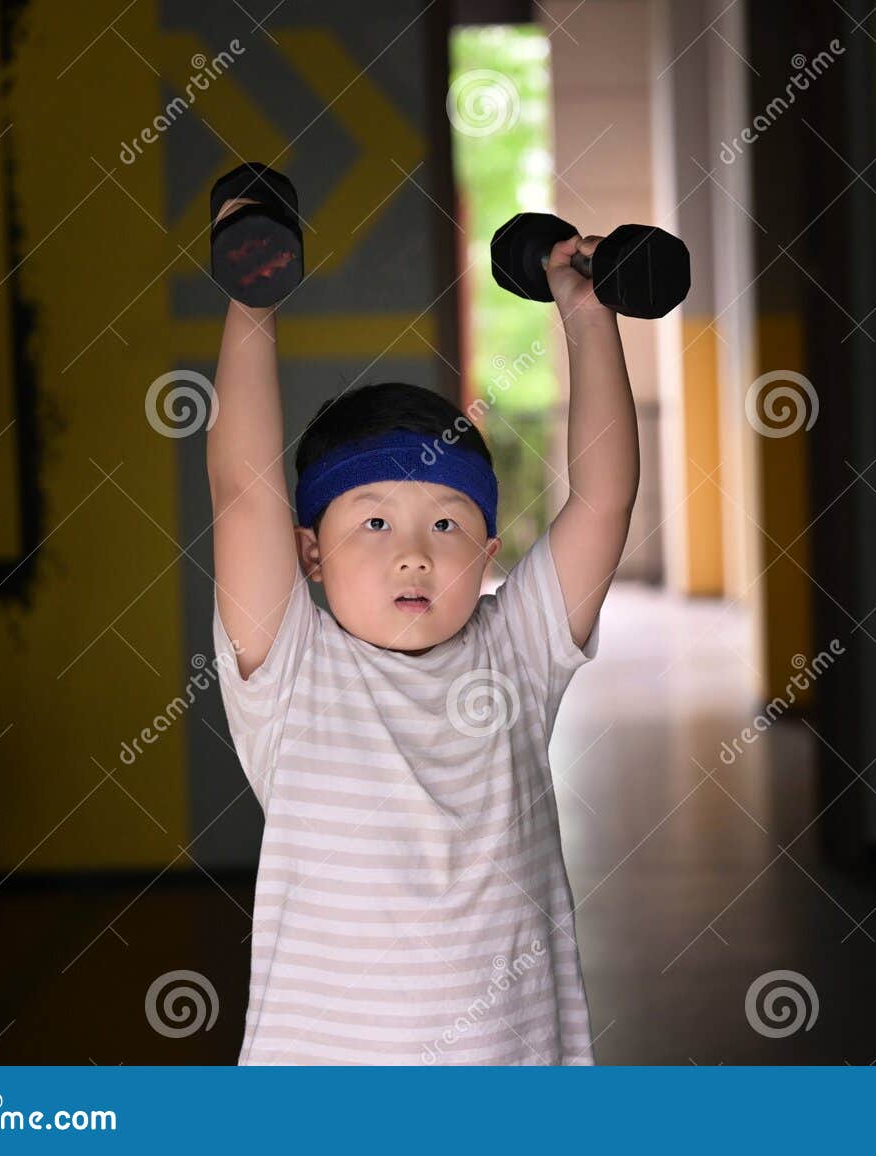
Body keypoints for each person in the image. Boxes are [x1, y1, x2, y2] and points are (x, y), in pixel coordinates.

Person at [205, 194, 637, 1063]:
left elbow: (603, 498)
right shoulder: (292, 670)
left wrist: (588, 318)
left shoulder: (517, 653)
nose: (412, 555)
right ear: (310, 555)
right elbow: (244, 492)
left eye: (445, 525)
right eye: (372, 523)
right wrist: (252, 298)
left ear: (487, 547)